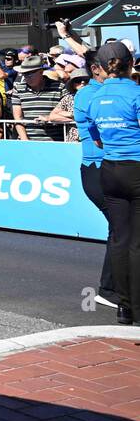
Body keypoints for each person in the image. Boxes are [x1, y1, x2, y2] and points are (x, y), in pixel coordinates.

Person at [86, 41, 140, 326]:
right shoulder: (136, 92)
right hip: (136, 167)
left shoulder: (94, 96)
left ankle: (124, 307)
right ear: (131, 63)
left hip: (110, 168)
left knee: (119, 238)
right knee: (136, 242)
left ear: (104, 67)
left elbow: (96, 138)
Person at [72, 54, 121, 310]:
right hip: (98, 168)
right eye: (111, 68)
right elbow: (103, 135)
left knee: (123, 228)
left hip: (109, 168)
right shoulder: (90, 95)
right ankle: (110, 289)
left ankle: (113, 288)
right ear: (95, 70)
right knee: (121, 227)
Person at [10, 54, 63, 141]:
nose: (27, 77)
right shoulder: (18, 88)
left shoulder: (60, 87)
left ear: (41, 72)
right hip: (26, 141)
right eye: (24, 74)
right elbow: (18, 117)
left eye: (30, 74)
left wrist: (50, 118)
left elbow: (65, 111)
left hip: (55, 142)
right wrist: (25, 140)